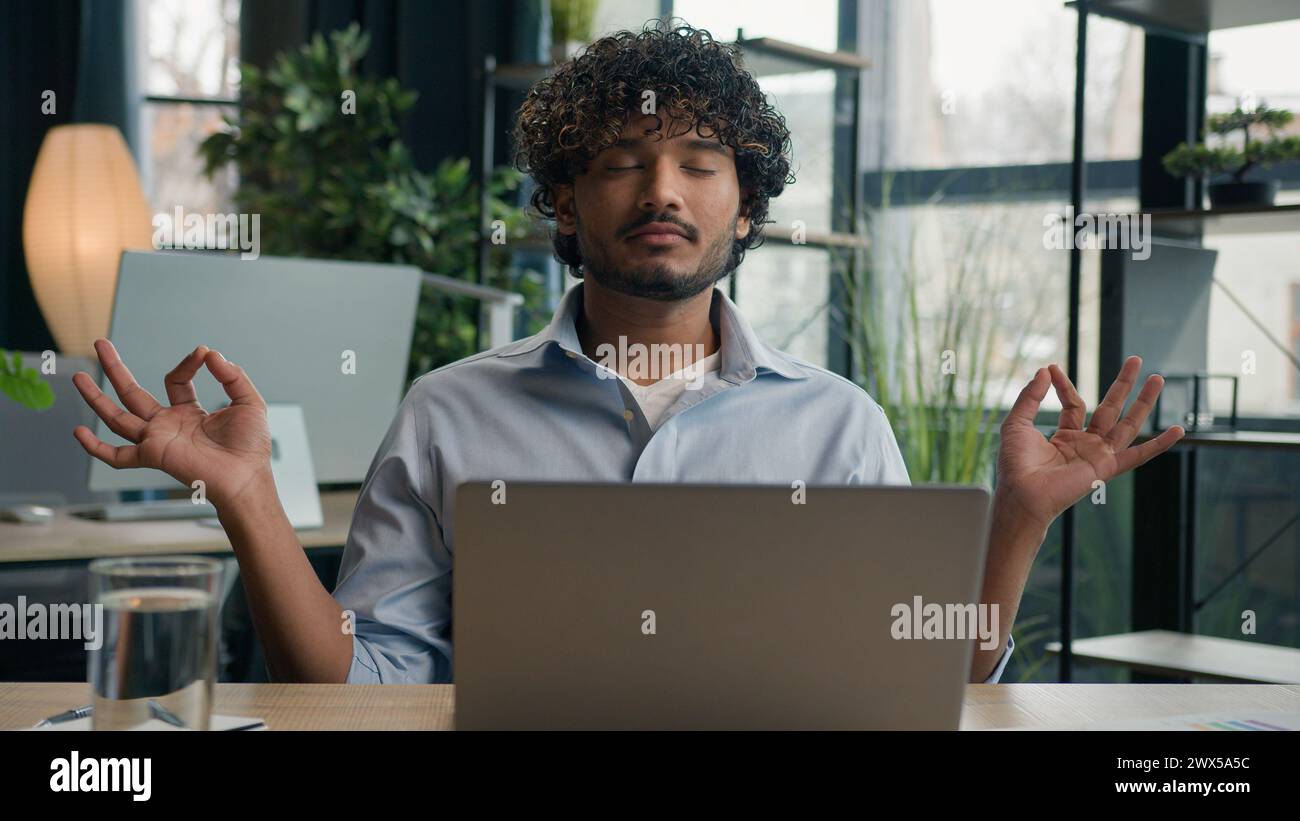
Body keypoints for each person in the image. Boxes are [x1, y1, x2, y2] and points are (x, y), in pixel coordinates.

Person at [71, 22, 1184, 685]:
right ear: (562, 196)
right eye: (621, 159)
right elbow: (362, 684)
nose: (661, 189)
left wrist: (1019, 517)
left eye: (702, 161)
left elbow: (927, 675)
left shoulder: (837, 420)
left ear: (745, 210)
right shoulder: (448, 412)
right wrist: (250, 494)